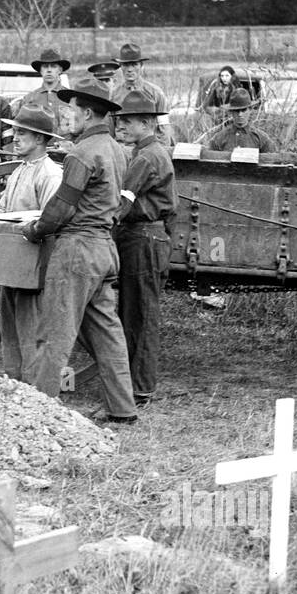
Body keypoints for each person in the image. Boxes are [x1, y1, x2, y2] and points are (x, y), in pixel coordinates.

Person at [17, 74, 140, 423]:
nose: (66, 116)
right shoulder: (117, 150)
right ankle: (123, 409)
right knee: (107, 332)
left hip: (76, 251)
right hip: (104, 250)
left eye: (70, 109)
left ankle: (37, 412)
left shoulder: (83, 153)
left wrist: (36, 230)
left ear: (87, 114)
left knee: (54, 332)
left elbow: (62, 207)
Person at [112, 90, 177, 404]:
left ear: (145, 123)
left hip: (142, 240)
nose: (122, 126)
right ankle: (137, 385)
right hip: (148, 239)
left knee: (140, 315)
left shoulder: (147, 156)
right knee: (137, 312)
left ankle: (140, 388)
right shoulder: (149, 151)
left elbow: (122, 203)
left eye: (127, 121)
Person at [0, 103, 63, 382]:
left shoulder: (49, 174)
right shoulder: (20, 170)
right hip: (12, 263)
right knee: (9, 324)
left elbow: (51, 221)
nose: (15, 137)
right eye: (15, 131)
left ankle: (32, 390)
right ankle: (13, 379)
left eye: (22, 133)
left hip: (33, 265)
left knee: (30, 327)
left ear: (39, 139)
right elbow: (1, 210)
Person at [13, 47, 72, 131]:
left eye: (53, 66)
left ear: (60, 70)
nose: (49, 70)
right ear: (40, 70)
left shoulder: (70, 98)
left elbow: (76, 128)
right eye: (45, 66)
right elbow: (20, 127)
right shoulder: (29, 99)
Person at [203, 89, 277, 152]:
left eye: (243, 110)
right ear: (231, 112)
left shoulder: (261, 139)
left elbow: (272, 161)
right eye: (236, 111)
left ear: (250, 110)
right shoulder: (219, 139)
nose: (240, 114)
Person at [115, 44, 169, 112]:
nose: (129, 69)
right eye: (125, 65)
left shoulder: (155, 93)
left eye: (134, 65)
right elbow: (110, 121)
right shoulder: (115, 95)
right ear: (120, 67)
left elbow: (163, 121)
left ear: (141, 66)